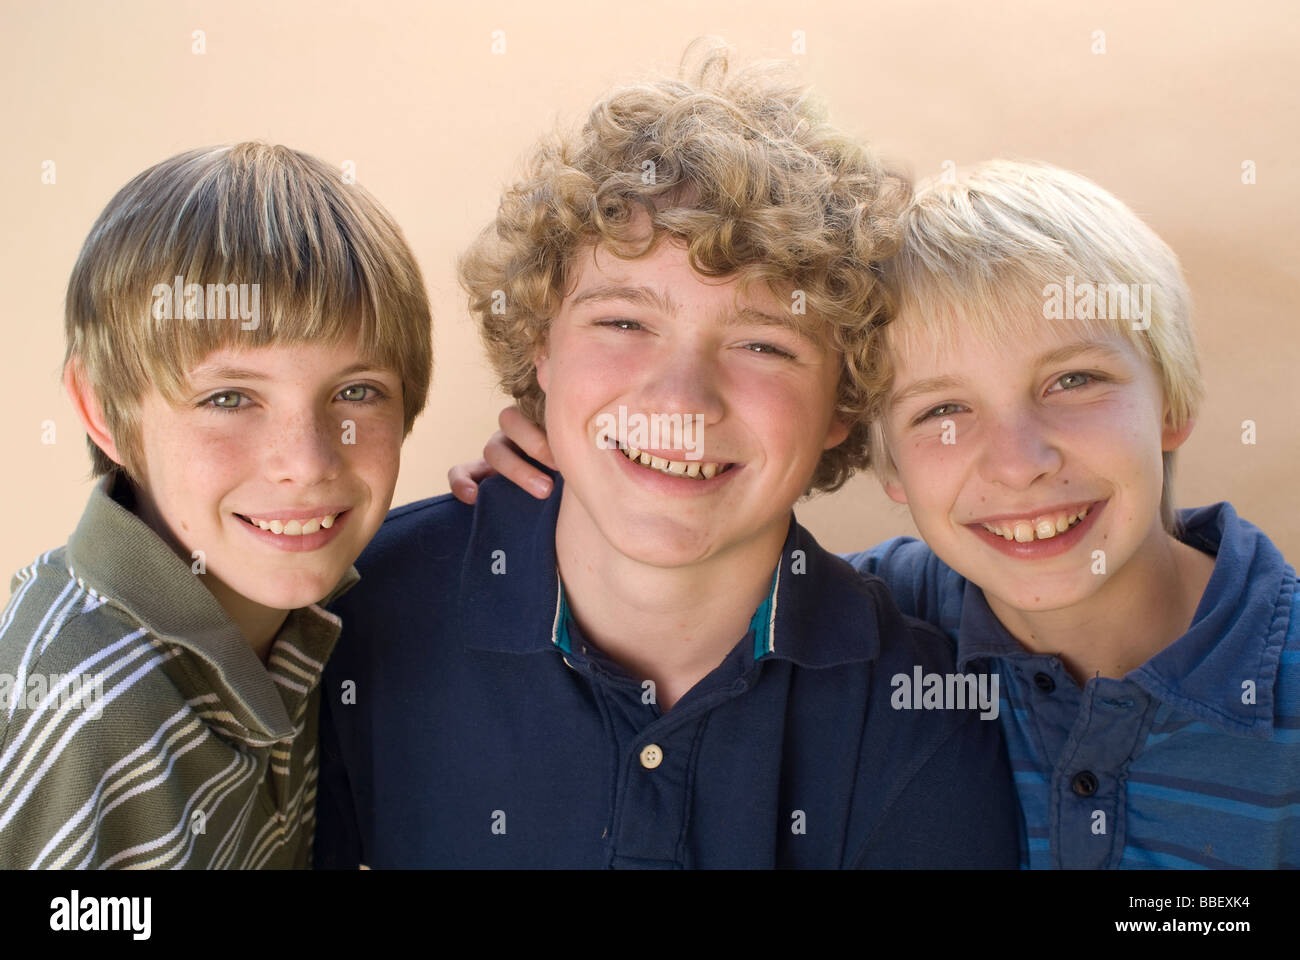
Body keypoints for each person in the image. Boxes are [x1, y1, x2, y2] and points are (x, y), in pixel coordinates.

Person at [459, 159, 1300, 869]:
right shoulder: (867, 626)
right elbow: (689, 568)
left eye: (1073, 382)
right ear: (883, 462)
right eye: (941, 411)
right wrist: (566, 478)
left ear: (1173, 404)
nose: (1018, 463)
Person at [314, 46, 1020, 868]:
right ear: (542, 347)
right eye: (623, 323)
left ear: (846, 402)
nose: (682, 403)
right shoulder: (352, 618)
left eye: (763, 344)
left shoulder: (920, 714)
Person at [0, 142, 433, 869]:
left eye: (356, 392)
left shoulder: (296, 616)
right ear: (102, 410)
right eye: (228, 398)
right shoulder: (87, 711)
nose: (306, 463)